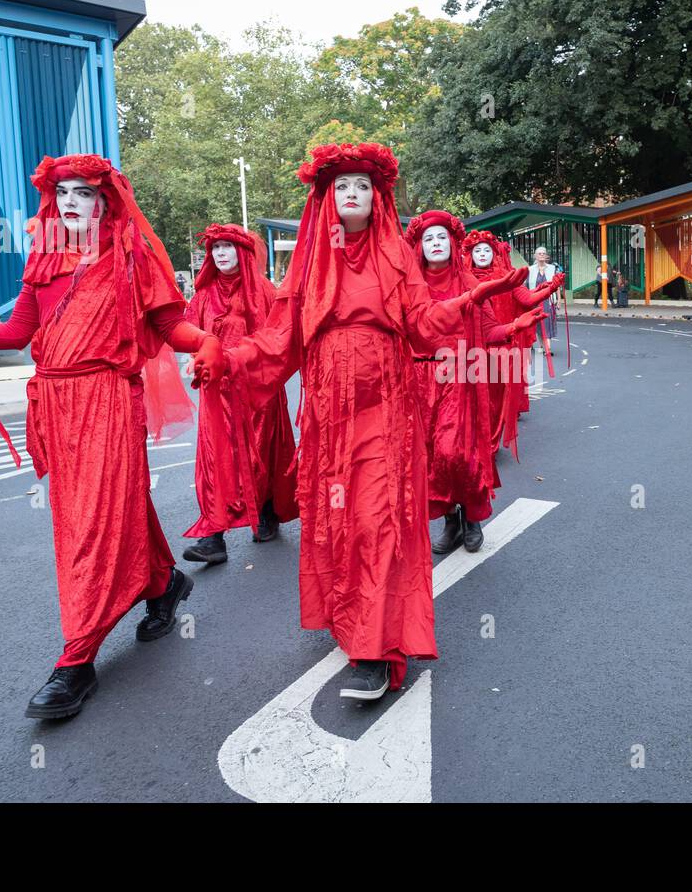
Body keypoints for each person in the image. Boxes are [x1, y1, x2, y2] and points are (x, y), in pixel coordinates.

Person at [0, 154, 223, 720]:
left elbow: (169, 327)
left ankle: (76, 659)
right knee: (109, 512)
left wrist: (206, 342)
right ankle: (163, 584)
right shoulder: (43, 261)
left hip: (107, 401)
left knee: (91, 527)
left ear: (106, 202)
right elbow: (14, 331)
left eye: (85, 191)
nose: (73, 200)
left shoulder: (132, 260)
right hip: (55, 405)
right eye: (63, 192)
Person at [192, 143, 525, 701]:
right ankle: (350, 616)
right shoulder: (308, 262)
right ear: (326, 197)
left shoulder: (397, 253)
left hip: (385, 407)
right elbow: (280, 337)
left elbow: (421, 325)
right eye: (342, 185)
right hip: (327, 410)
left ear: (378, 197)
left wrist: (470, 298)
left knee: (375, 517)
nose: (353, 193)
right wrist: (228, 356)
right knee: (339, 519)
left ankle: (375, 649)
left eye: (363, 186)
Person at [406, 214, 543, 554]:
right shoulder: (408, 288)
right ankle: (450, 521)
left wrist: (513, 328)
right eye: (428, 239)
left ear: (452, 243)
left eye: (441, 237)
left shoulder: (469, 283)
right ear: (419, 248)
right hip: (419, 382)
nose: (435, 243)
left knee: (457, 454)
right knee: (431, 458)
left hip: (461, 378)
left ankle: (471, 516)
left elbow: (489, 331)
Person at [181, 223, 297, 566]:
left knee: (256, 457)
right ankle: (214, 537)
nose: (220, 254)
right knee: (216, 462)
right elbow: (190, 333)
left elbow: (275, 339)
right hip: (216, 392)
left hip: (256, 390)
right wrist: (195, 359)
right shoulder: (203, 295)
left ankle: (266, 509)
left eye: (227, 247)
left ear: (242, 252)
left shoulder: (262, 290)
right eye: (215, 248)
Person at [464, 230, 560, 459]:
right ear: (470, 254)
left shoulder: (506, 276)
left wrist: (551, 288)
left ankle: (489, 444)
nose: (483, 254)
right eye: (477, 250)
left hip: (501, 342)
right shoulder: (461, 278)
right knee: (470, 397)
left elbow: (527, 299)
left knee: (495, 399)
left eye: (487, 249)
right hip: (469, 347)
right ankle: (470, 442)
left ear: (494, 253)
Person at [527, 246, 558, 352]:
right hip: (534, 301)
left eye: (543, 253)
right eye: (539, 253)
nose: (541, 255)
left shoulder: (552, 269)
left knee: (546, 322)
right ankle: (541, 346)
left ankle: (547, 348)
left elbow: (556, 285)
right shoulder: (530, 270)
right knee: (538, 324)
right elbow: (525, 286)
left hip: (548, 301)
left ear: (546, 256)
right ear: (535, 256)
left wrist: (559, 301)